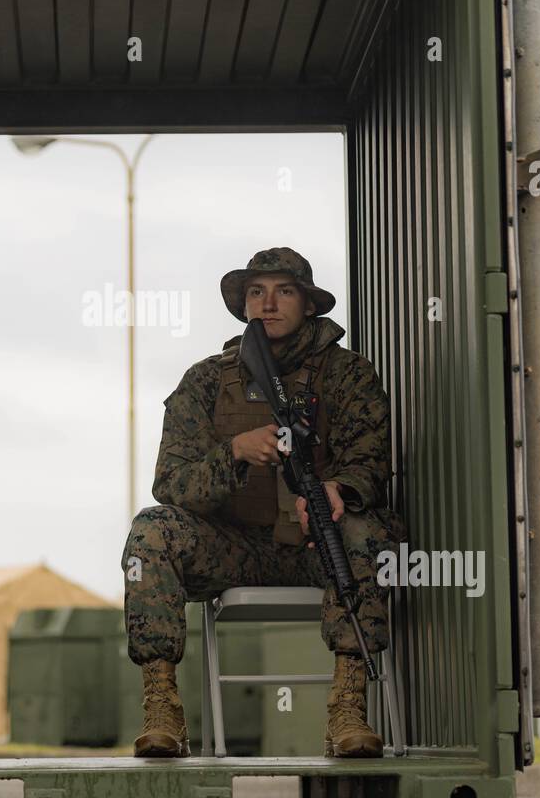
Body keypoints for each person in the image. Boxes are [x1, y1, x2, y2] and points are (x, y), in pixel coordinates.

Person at [121, 247, 407, 760]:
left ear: (309, 304)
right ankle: (162, 709)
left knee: (367, 530)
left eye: (284, 291)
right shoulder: (208, 380)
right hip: (232, 548)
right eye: (257, 291)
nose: (268, 303)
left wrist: (336, 490)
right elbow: (171, 482)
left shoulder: (348, 375)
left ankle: (348, 709)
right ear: (243, 304)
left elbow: (370, 462)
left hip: (316, 544)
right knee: (151, 532)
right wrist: (234, 454)